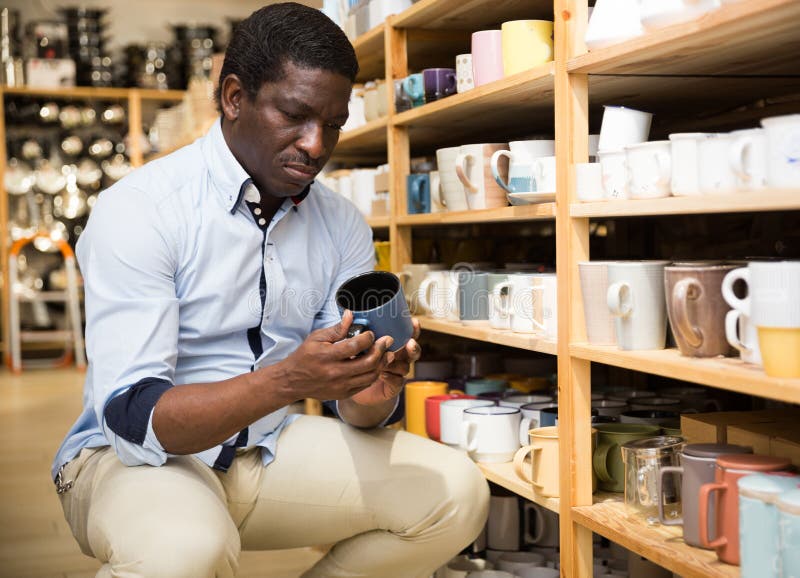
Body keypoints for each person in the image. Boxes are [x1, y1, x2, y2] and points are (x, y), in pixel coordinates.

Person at [52, 3, 489, 577]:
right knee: (185, 548)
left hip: (264, 449)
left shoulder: (340, 223)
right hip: (134, 461)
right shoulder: (141, 211)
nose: (316, 144)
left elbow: (351, 411)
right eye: (295, 115)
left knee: (456, 493)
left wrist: (371, 385)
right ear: (234, 98)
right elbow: (136, 419)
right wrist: (288, 379)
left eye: (333, 123)